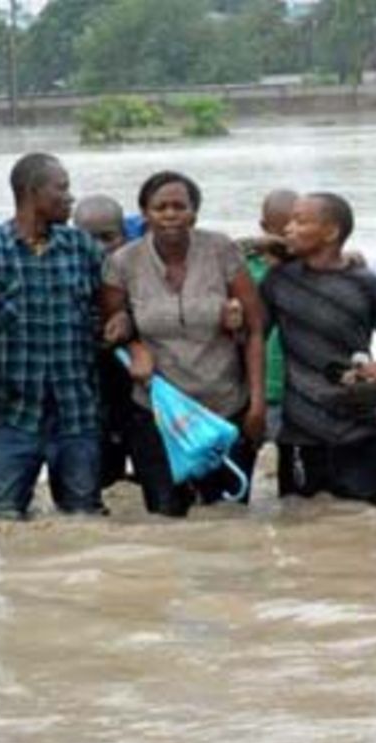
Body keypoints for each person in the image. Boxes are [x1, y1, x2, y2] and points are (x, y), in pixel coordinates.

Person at [0, 152, 106, 520]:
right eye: (61, 188)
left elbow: (120, 286)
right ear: (32, 192)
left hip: (76, 413)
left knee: (86, 523)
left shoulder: (81, 247)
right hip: (13, 416)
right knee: (0, 523)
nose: (70, 197)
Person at [100, 171, 265, 517]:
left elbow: (254, 329)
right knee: (167, 520)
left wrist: (257, 405)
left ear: (194, 213)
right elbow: (113, 326)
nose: (170, 214)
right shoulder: (123, 263)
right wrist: (136, 349)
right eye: (160, 207)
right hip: (158, 413)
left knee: (228, 518)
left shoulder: (221, 250)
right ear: (144, 213)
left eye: (180, 206)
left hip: (223, 409)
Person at [260, 193, 376, 506]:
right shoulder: (278, 282)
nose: (288, 228)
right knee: (299, 527)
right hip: (299, 431)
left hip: (358, 428)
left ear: (331, 232)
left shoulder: (368, 284)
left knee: (362, 527)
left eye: (300, 221)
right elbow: (253, 337)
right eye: (289, 221)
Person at [72, 194, 140, 490]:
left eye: (108, 237)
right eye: (89, 238)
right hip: (89, 399)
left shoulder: (144, 267)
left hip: (139, 390)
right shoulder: (62, 271)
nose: (99, 247)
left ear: (125, 236)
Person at [241, 188, 298, 441]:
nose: (290, 238)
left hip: (299, 390)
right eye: (283, 231)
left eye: (298, 226)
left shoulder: (310, 266)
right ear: (265, 227)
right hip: (258, 387)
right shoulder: (245, 267)